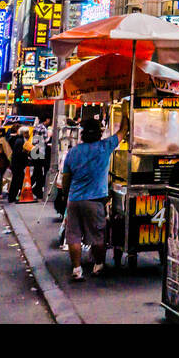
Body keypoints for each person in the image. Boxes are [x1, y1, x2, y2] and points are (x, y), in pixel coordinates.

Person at [61, 116, 125, 280]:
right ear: (99, 134)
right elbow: (123, 131)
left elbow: (66, 178)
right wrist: (125, 112)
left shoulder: (73, 152)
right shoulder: (104, 147)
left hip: (74, 200)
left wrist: (66, 196)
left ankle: (77, 270)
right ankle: (98, 266)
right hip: (95, 200)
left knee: (73, 236)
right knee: (98, 236)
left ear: (82, 134)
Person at [7, 125, 31, 202]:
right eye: (27, 133)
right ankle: (13, 197)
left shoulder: (20, 140)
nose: (28, 134)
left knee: (18, 180)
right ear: (23, 133)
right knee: (17, 181)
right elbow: (19, 153)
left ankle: (15, 196)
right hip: (17, 165)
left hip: (17, 164)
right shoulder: (20, 141)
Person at [30, 120, 50, 199]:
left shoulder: (37, 127)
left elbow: (35, 141)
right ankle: (36, 190)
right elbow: (44, 141)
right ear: (47, 119)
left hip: (36, 151)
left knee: (36, 172)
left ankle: (34, 189)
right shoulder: (43, 128)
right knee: (39, 173)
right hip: (40, 152)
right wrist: (49, 138)